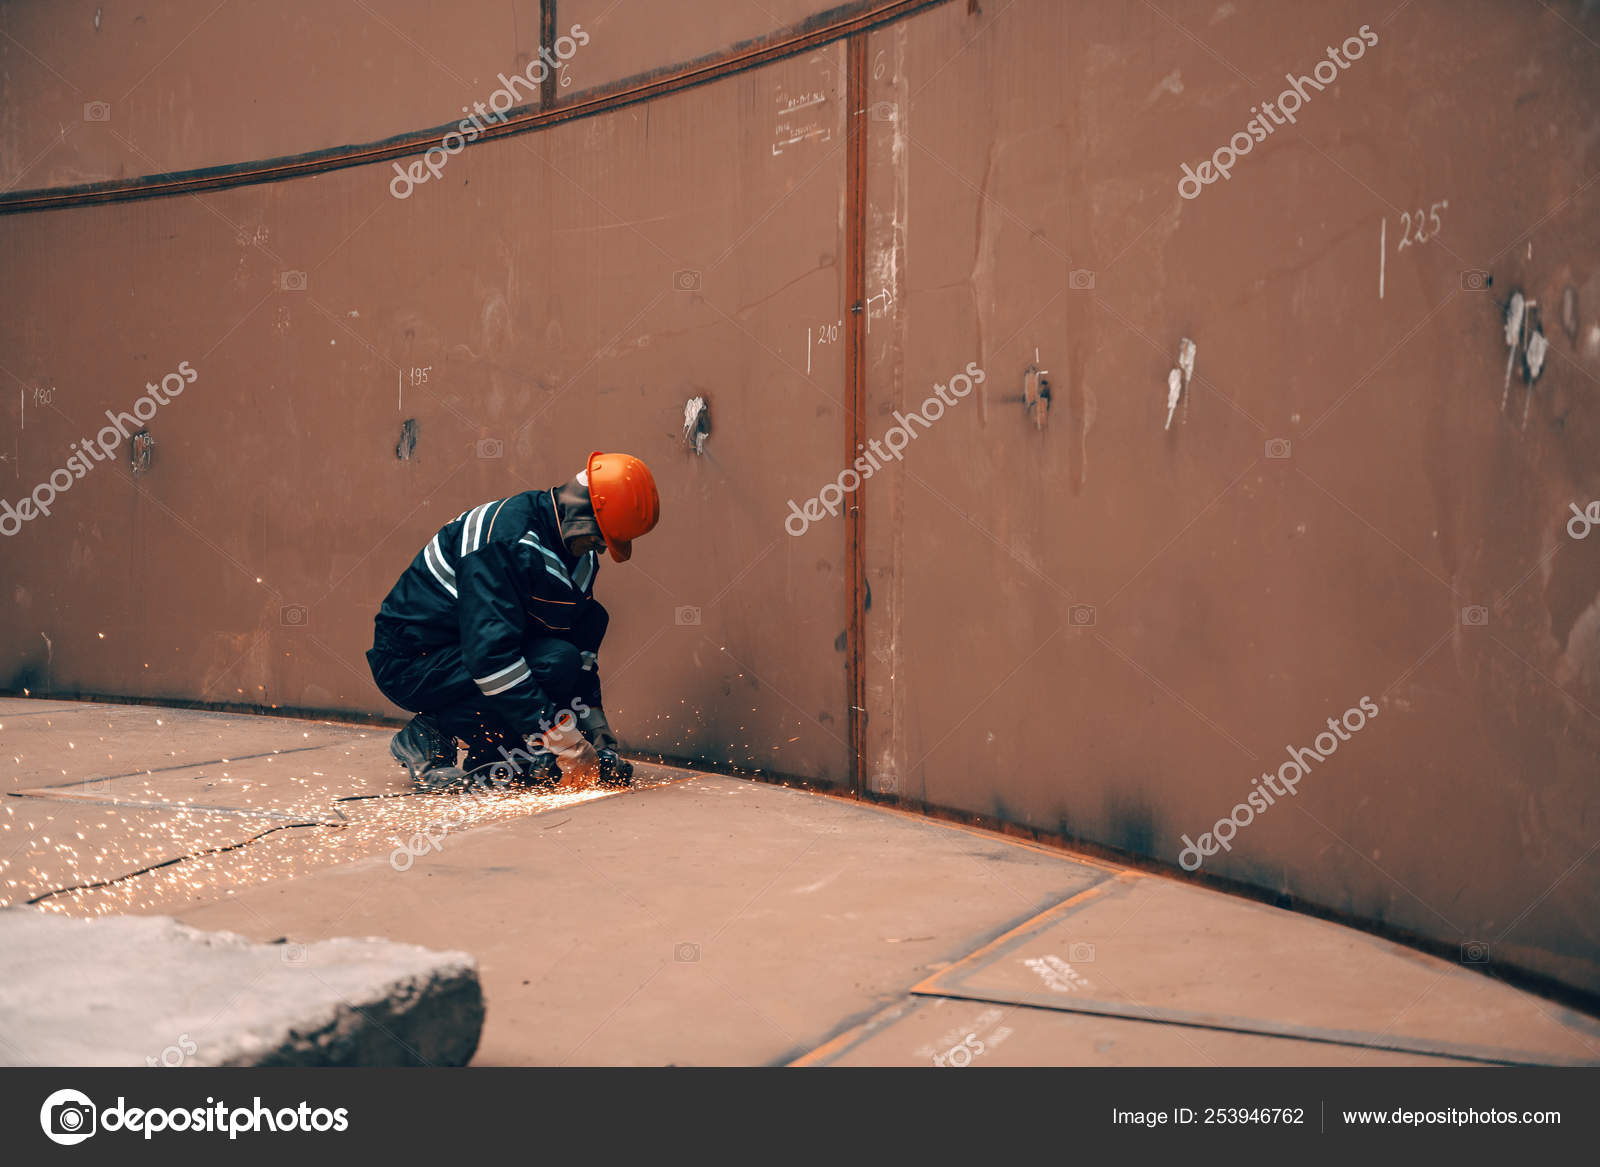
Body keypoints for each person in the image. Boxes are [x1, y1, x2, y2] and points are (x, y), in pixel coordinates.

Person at [366, 451, 659, 790]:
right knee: (551, 663)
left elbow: (577, 641)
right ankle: (432, 731)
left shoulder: (577, 557)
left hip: (474, 653)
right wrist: (562, 740)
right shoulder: (500, 539)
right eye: (600, 538)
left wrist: (593, 723)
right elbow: (490, 658)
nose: (602, 550)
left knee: (568, 650)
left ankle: (499, 754)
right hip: (414, 661)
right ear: (583, 515)